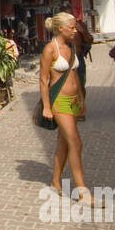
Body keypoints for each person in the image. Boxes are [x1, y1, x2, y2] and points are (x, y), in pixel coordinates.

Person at [40, 12, 96, 206]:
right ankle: (83, 192)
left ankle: (56, 181)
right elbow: (43, 80)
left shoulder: (71, 47)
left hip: (73, 100)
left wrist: (81, 98)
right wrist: (46, 106)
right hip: (59, 101)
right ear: (60, 28)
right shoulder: (50, 49)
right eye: (71, 28)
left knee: (64, 143)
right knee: (76, 143)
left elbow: (74, 75)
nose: (75, 31)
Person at [71, 17, 93, 121]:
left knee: (80, 84)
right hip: (67, 59)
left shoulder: (79, 26)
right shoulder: (61, 28)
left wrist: (82, 31)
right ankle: (74, 111)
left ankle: (79, 110)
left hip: (78, 59)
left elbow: (90, 39)